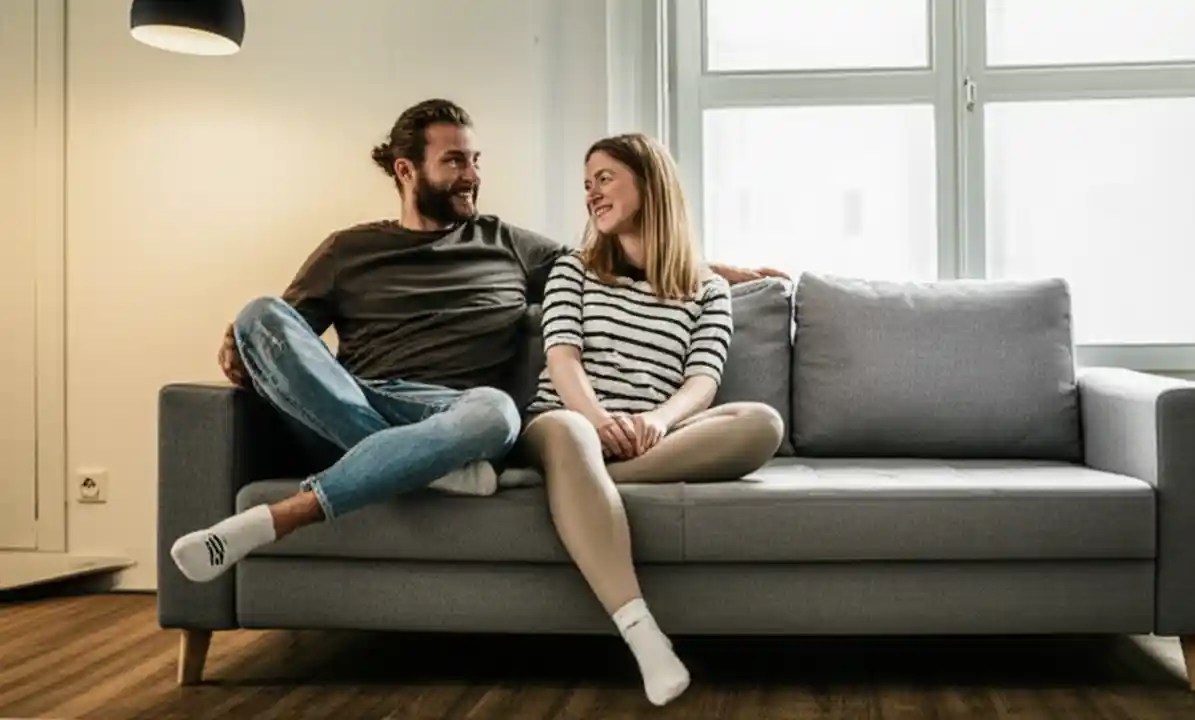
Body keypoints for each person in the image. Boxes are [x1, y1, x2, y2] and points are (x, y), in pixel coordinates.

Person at [165, 99, 782, 683]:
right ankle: (431, 468)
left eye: (476, 160)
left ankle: (291, 512)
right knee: (258, 314)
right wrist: (246, 342)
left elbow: (623, 254)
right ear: (407, 170)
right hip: (353, 401)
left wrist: (723, 271)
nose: (472, 175)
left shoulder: (507, 243)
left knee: (496, 409)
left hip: (455, 412)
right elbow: (285, 338)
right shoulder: (347, 250)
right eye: (455, 161)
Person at [517, 133, 786, 706]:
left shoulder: (707, 289)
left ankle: (573, 489)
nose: (591, 192)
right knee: (567, 434)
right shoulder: (575, 268)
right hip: (564, 423)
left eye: (605, 177)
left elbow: (702, 383)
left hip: (649, 439)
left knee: (761, 422)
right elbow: (562, 358)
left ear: (649, 181)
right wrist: (596, 420)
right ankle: (644, 638)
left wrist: (658, 422)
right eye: (587, 182)